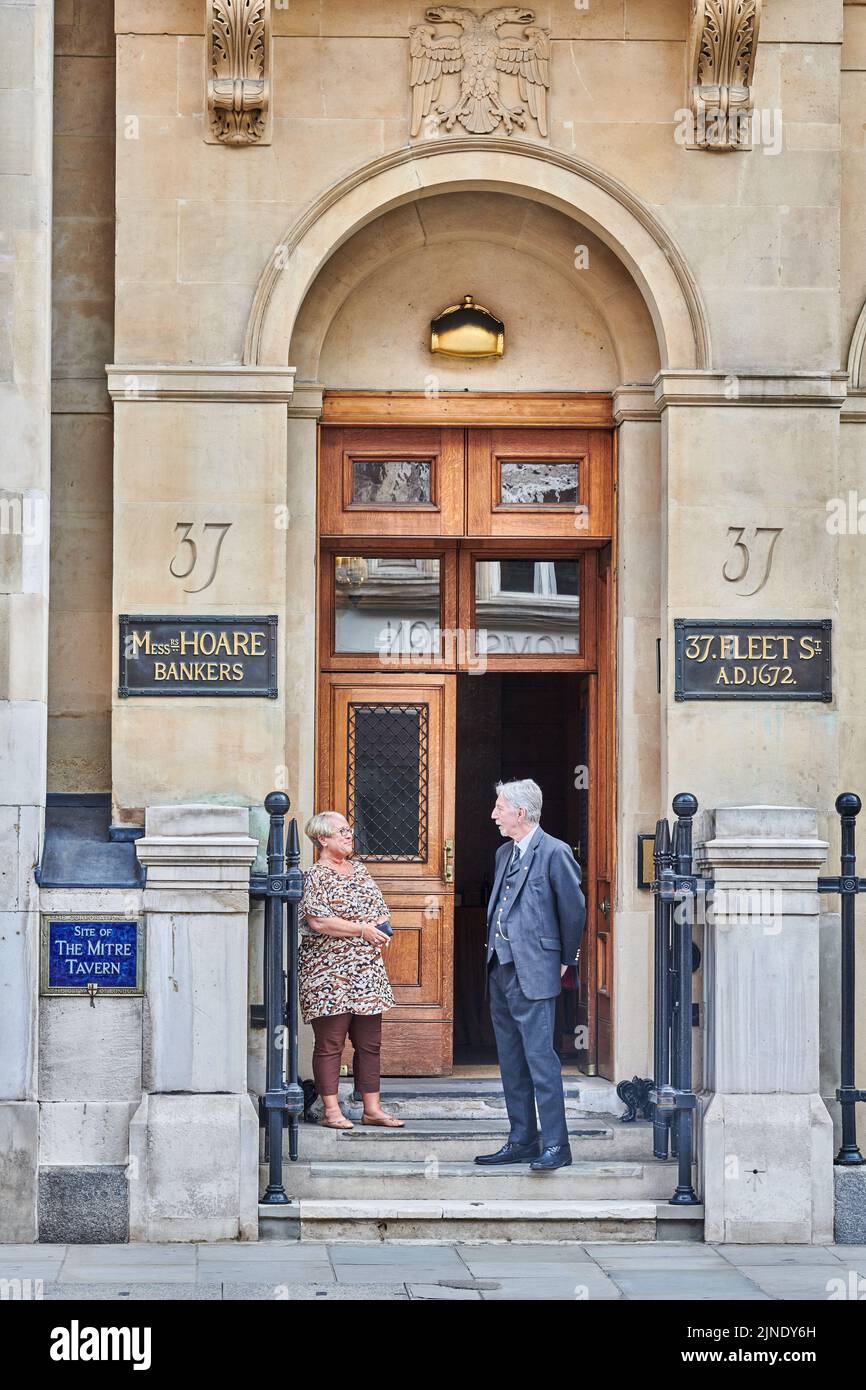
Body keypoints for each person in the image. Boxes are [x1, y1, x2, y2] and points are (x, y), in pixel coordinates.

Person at [475, 778, 585, 1171]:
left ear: (520, 813)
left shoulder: (554, 852)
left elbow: (574, 909)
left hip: (536, 970)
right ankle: (522, 1139)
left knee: (541, 1060)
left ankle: (557, 1145)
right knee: (511, 1060)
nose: (493, 815)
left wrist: (567, 960)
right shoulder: (504, 853)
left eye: (499, 808)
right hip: (500, 969)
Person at [299, 811, 404, 1129]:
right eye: (341, 831)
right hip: (328, 972)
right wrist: (361, 929)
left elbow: (379, 913)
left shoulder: (359, 871)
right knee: (331, 1044)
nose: (349, 835)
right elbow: (318, 921)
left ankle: (372, 1109)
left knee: (370, 1043)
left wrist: (373, 927)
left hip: (367, 971)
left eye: (349, 830)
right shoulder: (314, 876)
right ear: (322, 839)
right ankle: (332, 1111)